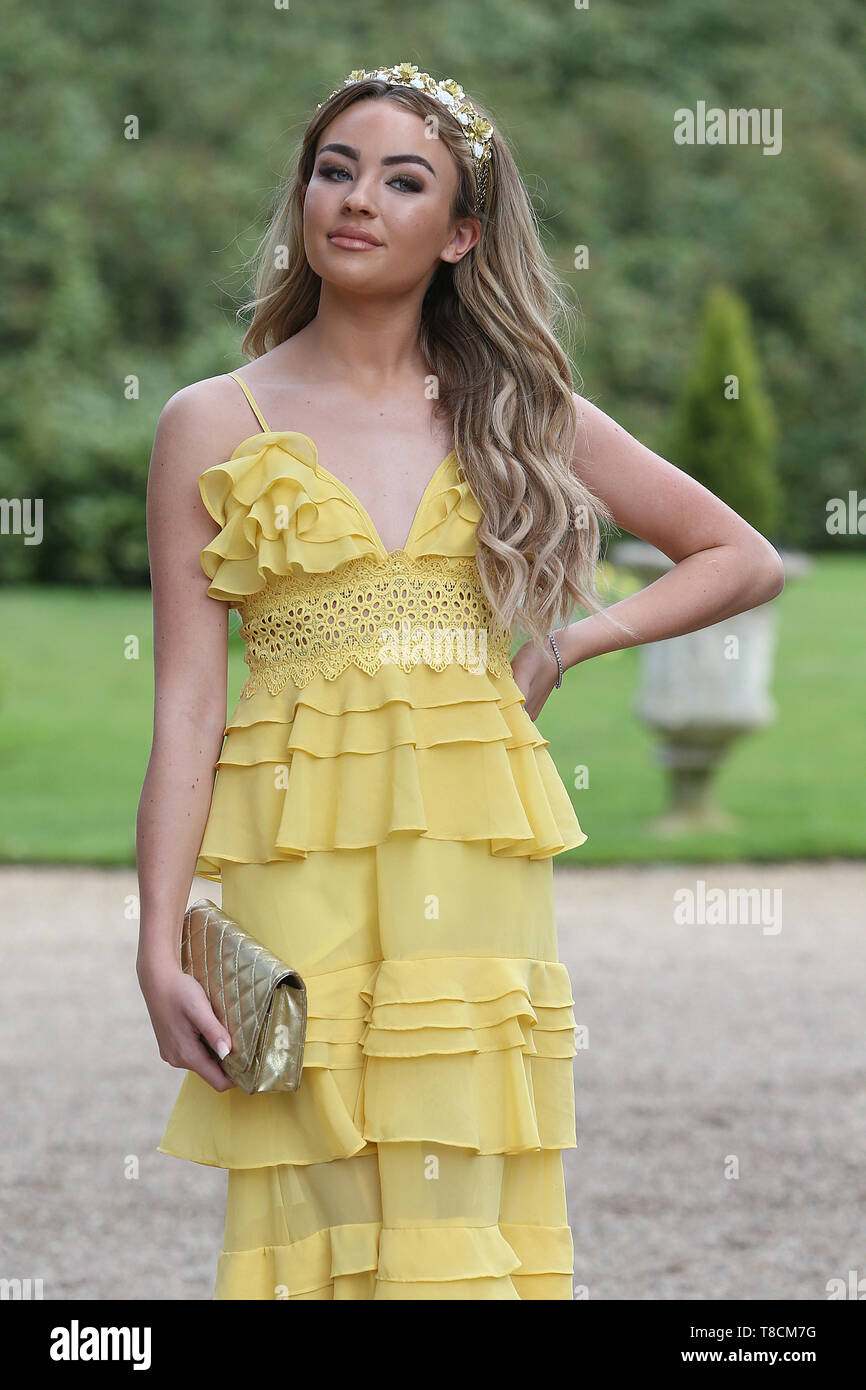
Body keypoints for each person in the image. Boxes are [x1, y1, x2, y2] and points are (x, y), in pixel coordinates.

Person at [136, 62, 784, 1301]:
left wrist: (564, 644)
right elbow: (186, 707)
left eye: (402, 180)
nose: (355, 199)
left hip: (469, 857)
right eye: (334, 170)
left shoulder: (515, 409)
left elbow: (736, 556)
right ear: (302, 197)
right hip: (295, 850)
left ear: (460, 233)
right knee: (315, 1174)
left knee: (457, 1176)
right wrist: (156, 940)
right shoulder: (210, 421)